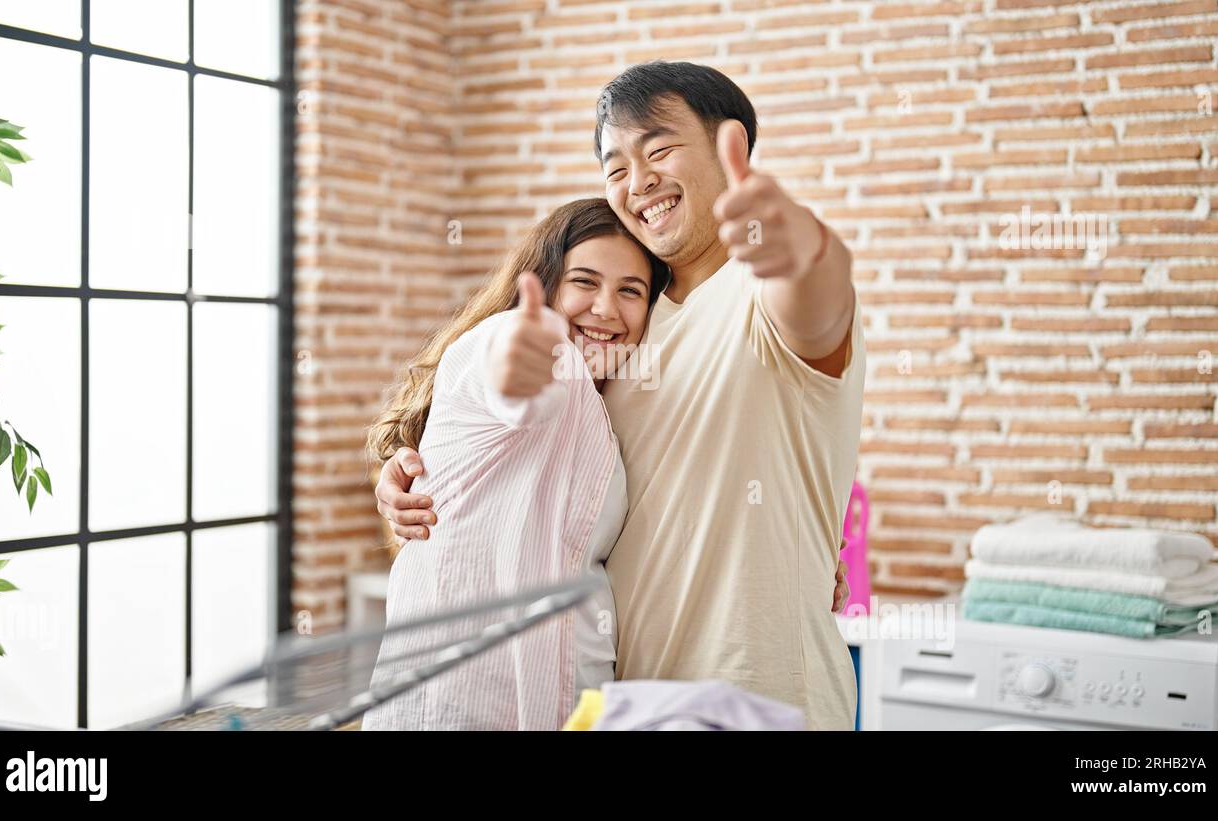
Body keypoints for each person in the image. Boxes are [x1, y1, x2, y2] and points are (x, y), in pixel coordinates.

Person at [378, 62, 865, 730]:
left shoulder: (763, 291)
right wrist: (412, 472)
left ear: (734, 148)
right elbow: (531, 464)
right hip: (624, 708)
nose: (638, 183)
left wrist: (806, 248)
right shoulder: (620, 327)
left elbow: (818, 306)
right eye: (616, 168)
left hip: (763, 701)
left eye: (659, 150)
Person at [361, 198, 669, 730]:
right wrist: (526, 363)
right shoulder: (517, 344)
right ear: (544, 284)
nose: (605, 308)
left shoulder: (608, 406)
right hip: (468, 705)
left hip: (574, 702)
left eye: (630, 290)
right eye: (584, 281)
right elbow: (518, 383)